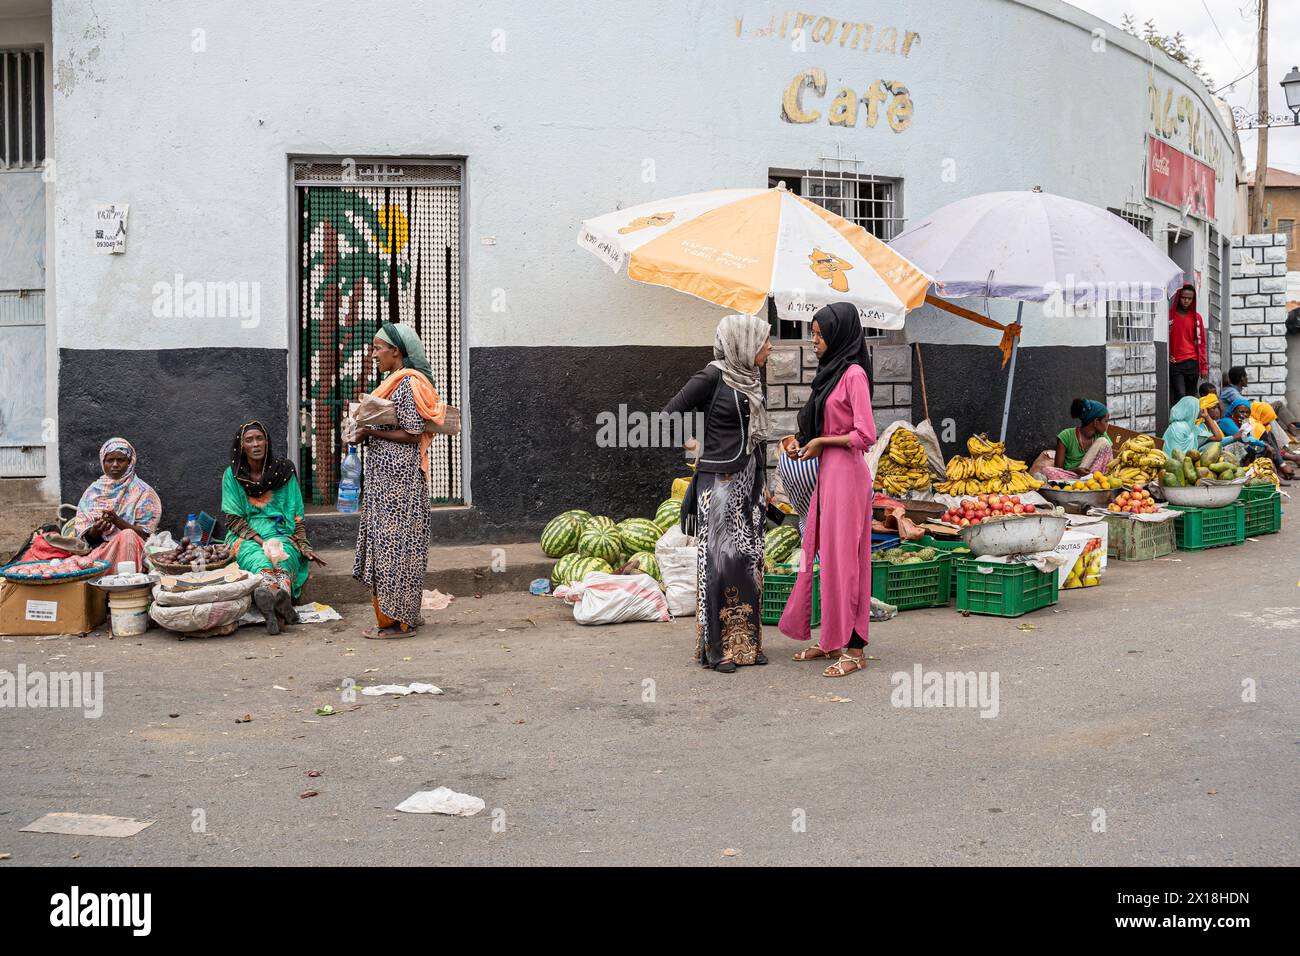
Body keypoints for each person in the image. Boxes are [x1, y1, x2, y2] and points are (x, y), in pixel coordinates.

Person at [663, 313, 773, 674]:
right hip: (719, 485)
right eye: (763, 341)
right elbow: (669, 414)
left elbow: (756, 435)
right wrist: (694, 447)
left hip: (750, 484)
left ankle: (747, 645)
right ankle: (715, 649)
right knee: (718, 565)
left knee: (749, 561)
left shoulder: (753, 379)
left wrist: (765, 482)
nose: (769, 347)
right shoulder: (713, 376)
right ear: (743, 343)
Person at [779, 302, 876, 678]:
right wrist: (798, 440)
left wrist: (822, 442)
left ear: (838, 336)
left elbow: (866, 433)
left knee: (846, 564)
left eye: (820, 335)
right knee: (823, 558)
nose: (814, 341)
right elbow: (818, 422)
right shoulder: (829, 374)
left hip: (848, 479)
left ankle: (855, 648)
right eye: (813, 334)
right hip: (828, 477)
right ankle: (831, 638)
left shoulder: (853, 374)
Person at [352, 322, 445, 640]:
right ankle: (403, 616)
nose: (374, 354)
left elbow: (412, 432)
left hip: (398, 486)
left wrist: (369, 431)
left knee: (394, 551)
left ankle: (395, 621)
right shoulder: (393, 384)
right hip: (387, 481)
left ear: (396, 351)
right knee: (396, 549)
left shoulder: (407, 384)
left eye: (378, 348)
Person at [222, 421, 323, 634]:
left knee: (284, 556)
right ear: (241, 446)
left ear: (267, 442)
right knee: (258, 559)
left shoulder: (284, 471)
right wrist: (262, 542)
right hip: (247, 535)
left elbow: (297, 517)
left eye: (260, 438)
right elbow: (233, 519)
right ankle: (273, 601)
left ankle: (278, 600)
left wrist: (304, 546)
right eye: (249, 440)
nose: (256, 444)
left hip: (281, 532)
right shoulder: (232, 476)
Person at [20, 438, 162, 571]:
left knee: (128, 535)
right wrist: (96, 530)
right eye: (110, 460)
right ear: (103, 462)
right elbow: (85, 539)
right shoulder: (93, 492)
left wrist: (117, 521)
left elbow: (145, 535)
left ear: (130, 462)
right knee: (43, 546)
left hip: (132, 550)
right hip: (100, 552)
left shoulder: (144, 493)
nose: (115, 465)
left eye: (121, 460)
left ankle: (124, 585)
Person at [1039, 398, 1113, 482]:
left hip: (1093, 477)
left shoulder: (1102, 437)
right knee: (1047, 471)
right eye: (1106, 421)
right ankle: (1082, 481)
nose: (1107, 425)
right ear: (1096, 422)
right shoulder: (1066, 436)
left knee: (1103, 441)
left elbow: (1109, 464)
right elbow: (1058, 469)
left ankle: (1087, 481)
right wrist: (1076, 470)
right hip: (1071, 477)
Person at [1167, 283, 1206, 403]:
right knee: (1180, 394)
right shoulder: (1169, 316)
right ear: (1179, 297)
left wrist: (1203, 367)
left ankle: (1189, 421)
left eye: (1190, 299)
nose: (1186, 301)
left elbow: (1202, 343)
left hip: (1192, 362)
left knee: (1190, 396)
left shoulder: (1197, 318)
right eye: (1184, 297)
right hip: (1176, 363)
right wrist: (1167, 355)